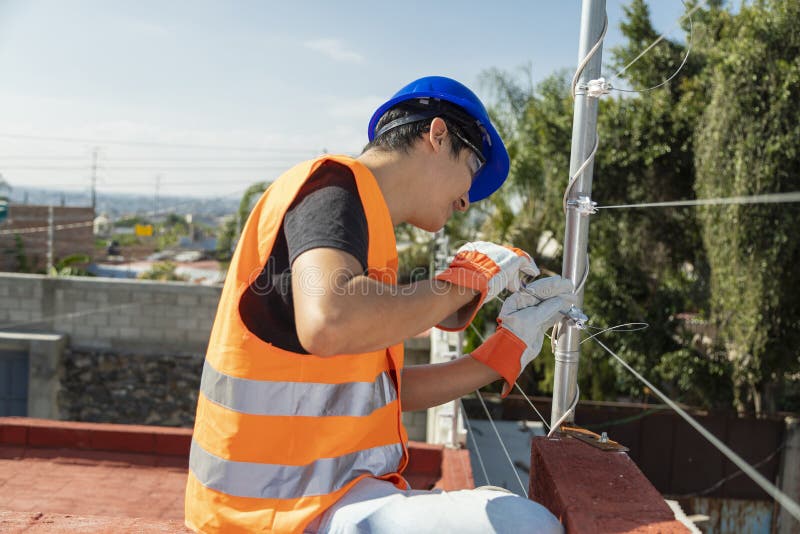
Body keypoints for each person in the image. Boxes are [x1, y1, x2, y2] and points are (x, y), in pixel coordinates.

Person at [184, 76, 573, 533]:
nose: (467, 199)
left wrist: (502, 353)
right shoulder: (333, 187)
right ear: (438, 134)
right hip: (280, 515)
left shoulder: (364, 234)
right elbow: (331, 320)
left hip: (303, 504)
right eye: (472, 166)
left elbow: (380, 393)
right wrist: (467, 280)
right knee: (524, 525)